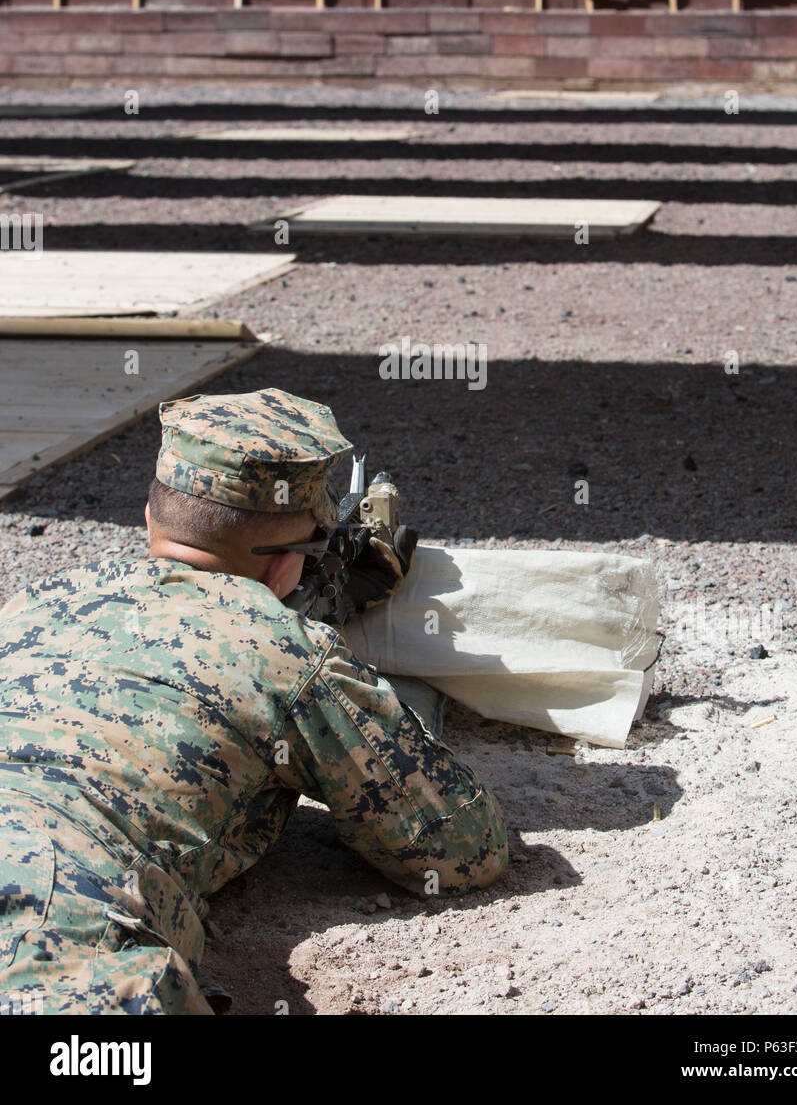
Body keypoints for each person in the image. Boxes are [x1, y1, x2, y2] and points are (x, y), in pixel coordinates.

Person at [0, 388, 508, 1015]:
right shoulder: (285, 653)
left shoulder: (40, 600)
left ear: (151, 517)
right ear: (287, 565)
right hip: (54, 910)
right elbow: (459, 849)